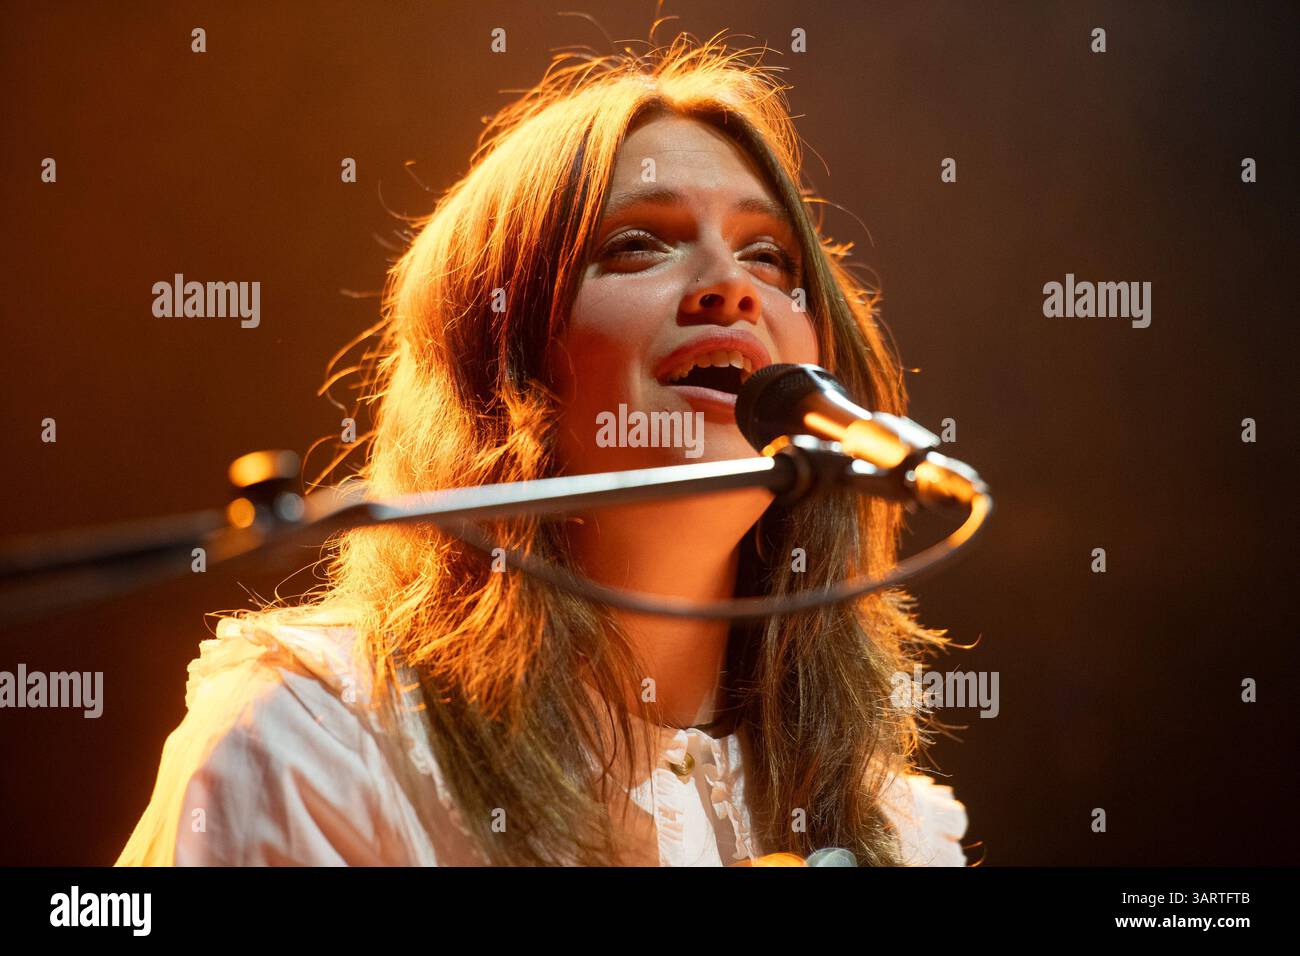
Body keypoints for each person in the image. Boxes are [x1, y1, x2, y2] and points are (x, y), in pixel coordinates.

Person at [117, 31, 970, 867]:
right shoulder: (317, 747)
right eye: (637, 244)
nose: (733, 287)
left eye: (770, 256)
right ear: (501, 362)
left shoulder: (895, 831)